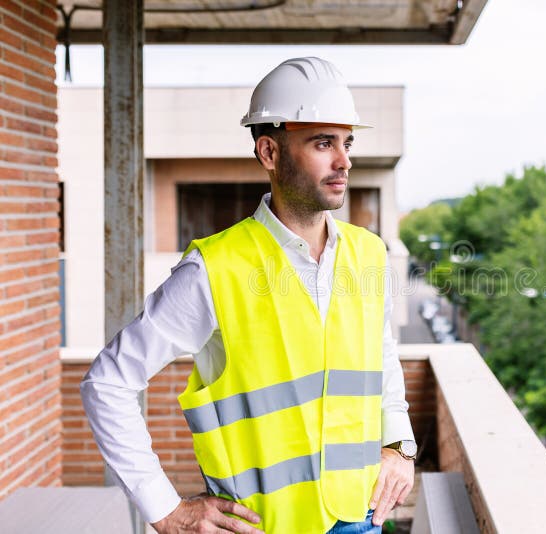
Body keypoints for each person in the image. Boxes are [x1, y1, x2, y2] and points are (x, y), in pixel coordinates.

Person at [81, 56, 417, 534]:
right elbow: (107, 383)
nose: (344, 161)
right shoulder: (214, 268)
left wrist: (399, 446)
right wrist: (166, 510)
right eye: (323, 143)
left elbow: (380, 357)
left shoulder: (369, 253)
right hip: (258, 525)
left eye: (347, 143)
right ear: (269, 152)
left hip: (360, 516)